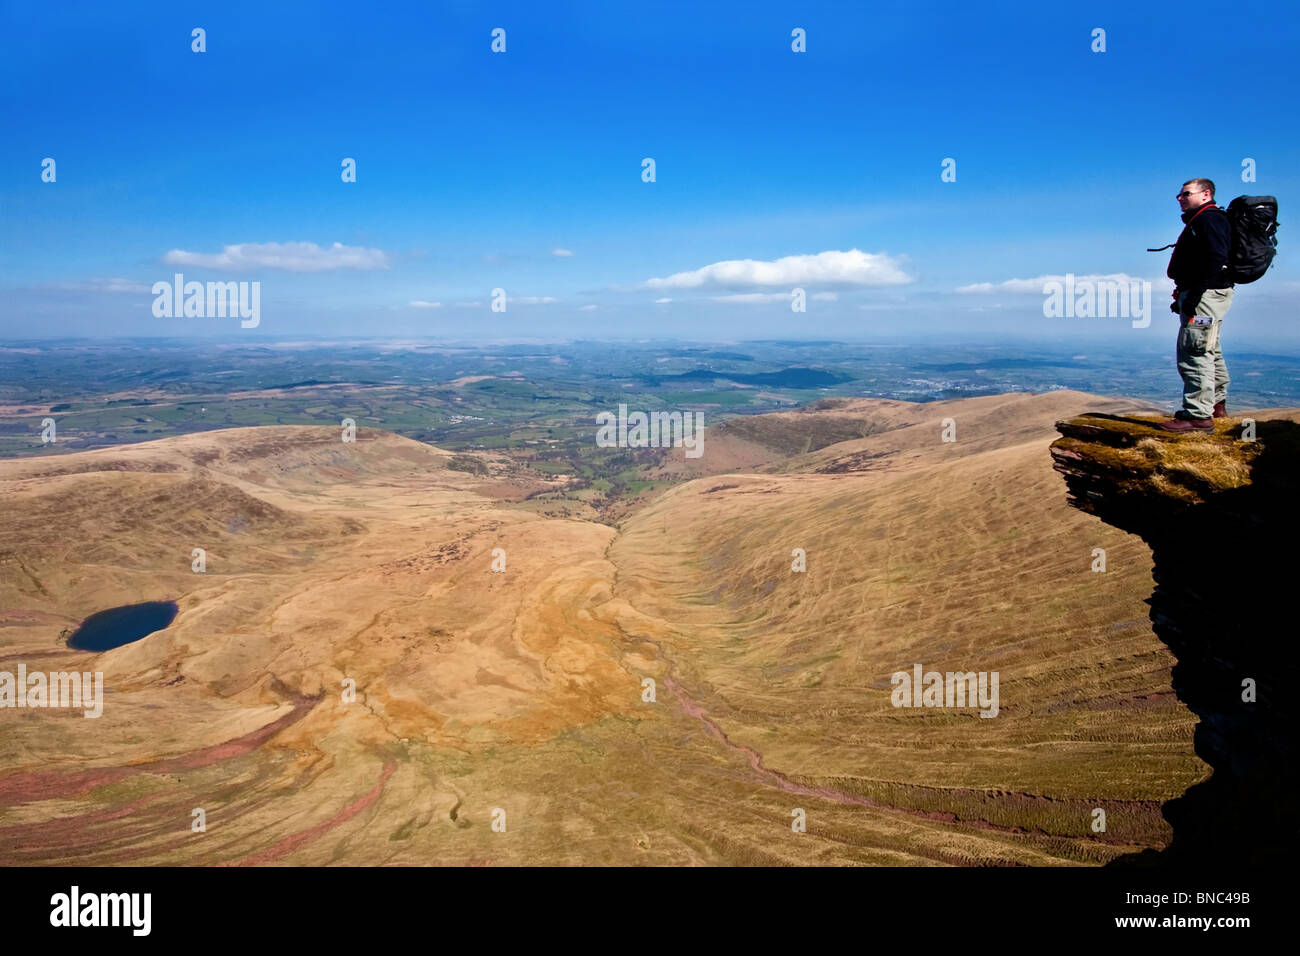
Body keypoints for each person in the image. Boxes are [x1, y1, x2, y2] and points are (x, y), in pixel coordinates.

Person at [1158, 177, 1234, 431]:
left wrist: (1194, 294)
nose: (1180, 198)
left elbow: (1216, 257)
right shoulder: (1205, 219)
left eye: (1186, 194)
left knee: (1195, 349)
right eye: (1179, 195)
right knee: (1209, 346)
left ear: (1206, 194)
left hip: (1204, 298)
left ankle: (1198, 416)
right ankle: (1215, 405)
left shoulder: (1208, 219)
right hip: (1207, 296)